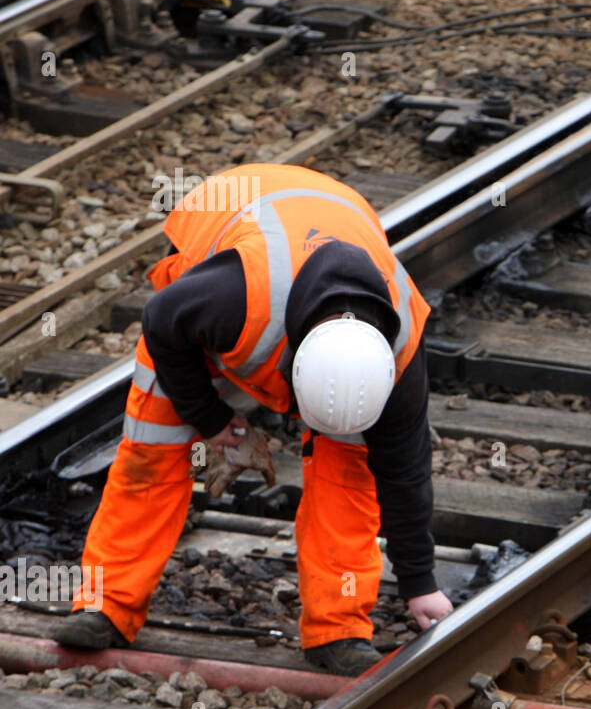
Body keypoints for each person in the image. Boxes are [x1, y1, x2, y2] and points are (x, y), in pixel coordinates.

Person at [55, 164, 453, 676]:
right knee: (151, 450)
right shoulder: (228, 299)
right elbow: (162, 323)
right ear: (292, 366)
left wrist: (420, 585)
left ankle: (338, 628)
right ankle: (105, 605)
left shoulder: (398, 362)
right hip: (229, 213)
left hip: (328, 208)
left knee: (349, 473)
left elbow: (405, 475)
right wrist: (211, 419)